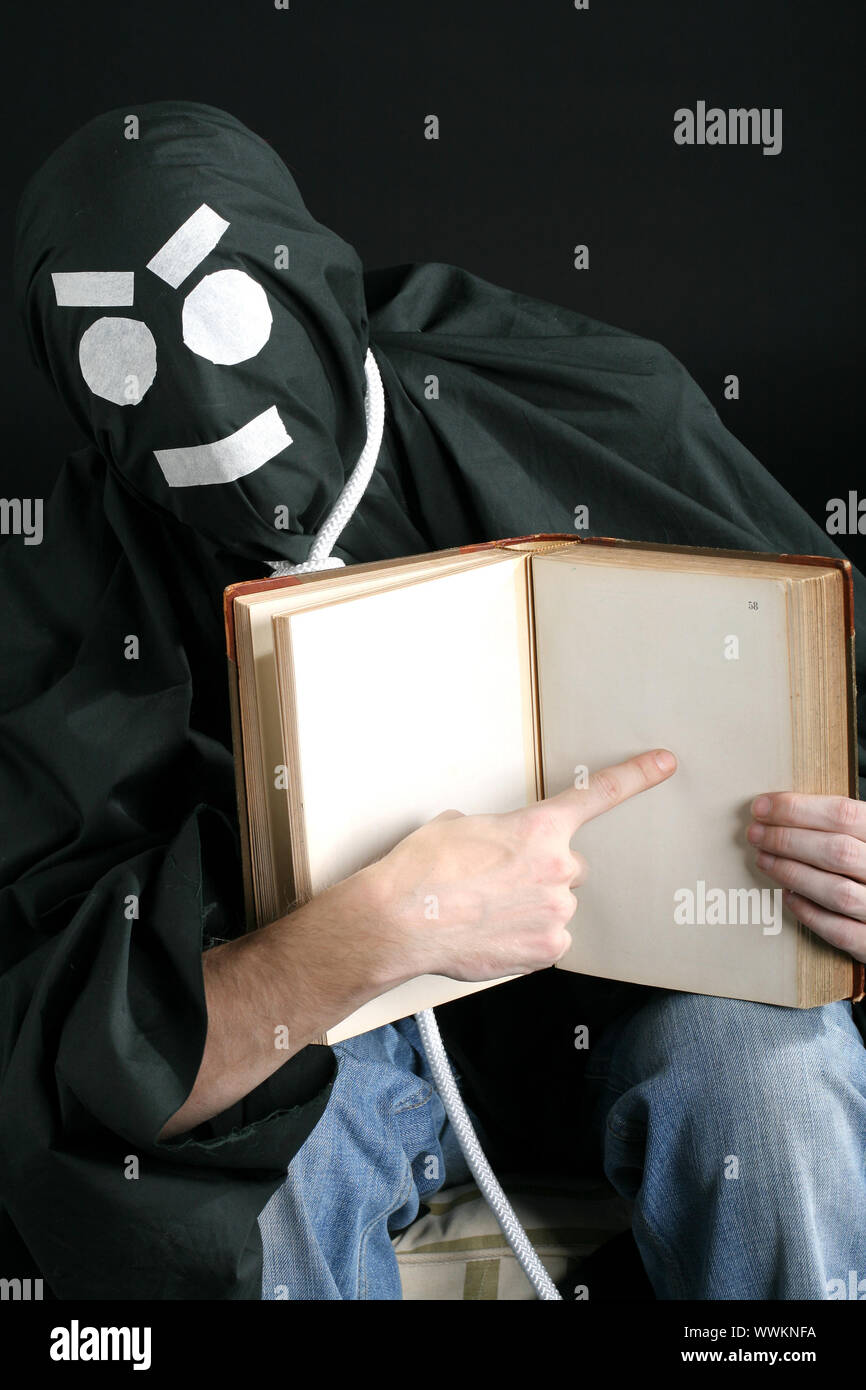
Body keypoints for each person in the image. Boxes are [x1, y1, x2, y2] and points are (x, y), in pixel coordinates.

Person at [2, 99, 865, 1301]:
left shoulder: (563, 397)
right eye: (118, 355)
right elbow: (74, 1070)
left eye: (227, 312)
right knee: (278, 1165)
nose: (207, 407)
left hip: (643, 1006)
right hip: (336, 1052)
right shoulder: (63, 596)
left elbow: (831, 692)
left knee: (764, 1078)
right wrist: (356, 944)